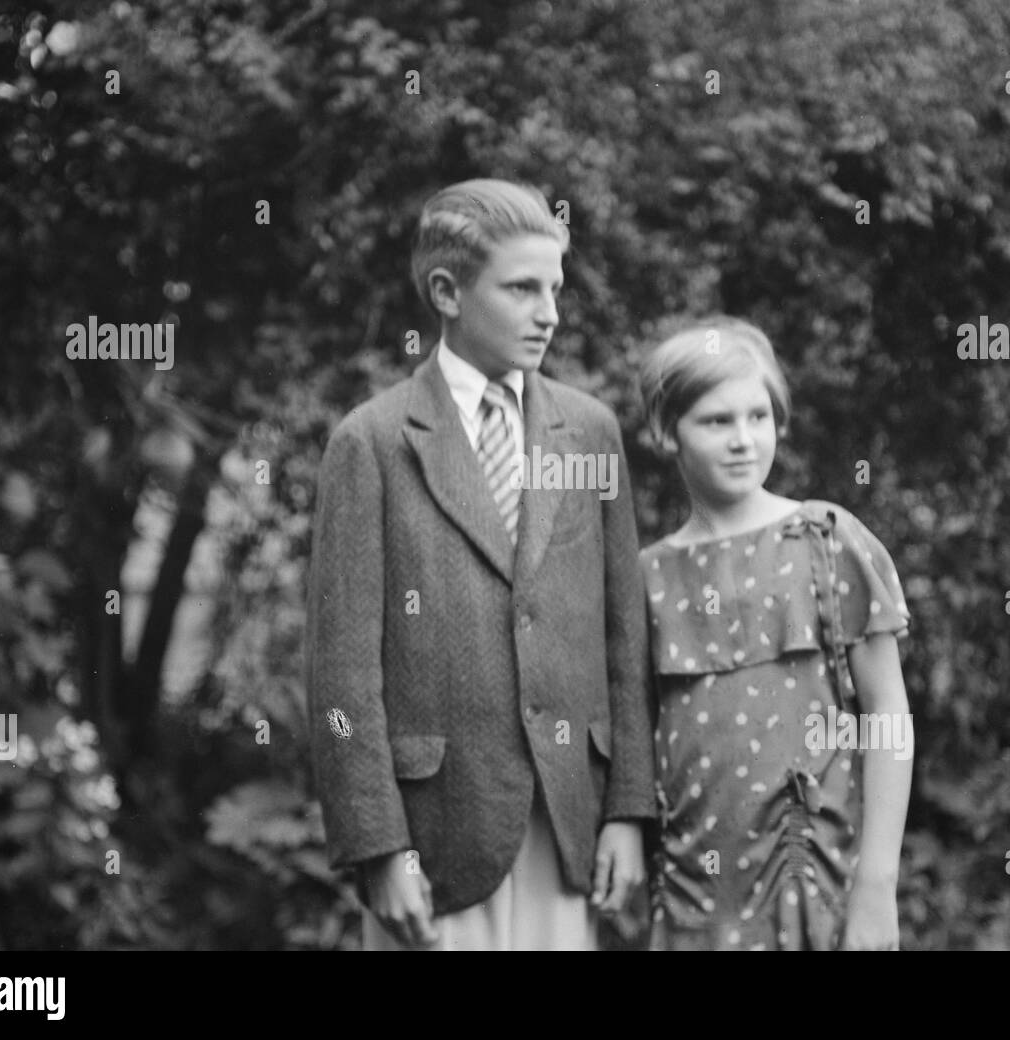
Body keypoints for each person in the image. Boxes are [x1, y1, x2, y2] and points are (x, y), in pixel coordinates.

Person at [305, 178, 656, 950]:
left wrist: (629, 809)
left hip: (569, 819)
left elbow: (624, 635)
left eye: (556, 288)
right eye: (523, 288)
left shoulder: (588, 433)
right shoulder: (374, 443)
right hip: (434, 839)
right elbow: (342, 674)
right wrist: (378, 847)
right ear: (447, 291)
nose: (550, 312)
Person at [637, 317, 913, 950]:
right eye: (716, 421)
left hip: (814, 878)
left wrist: (876, 885)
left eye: (757, 417)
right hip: (692, 896)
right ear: (665, 432)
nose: (742, 440)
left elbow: (888, 714)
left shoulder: (826, 540)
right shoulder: (647, 576)